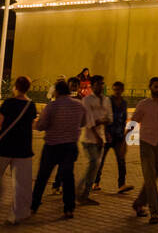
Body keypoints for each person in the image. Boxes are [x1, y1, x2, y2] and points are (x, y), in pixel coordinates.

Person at [31, 79, 86, 220]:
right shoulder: (79, 105)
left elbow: (41, 126)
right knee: (68, 177)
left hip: (52, 146)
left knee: (42, 177)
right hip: (70, 146)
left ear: (57, 91)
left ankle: (34, 205)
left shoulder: (52, 106)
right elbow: (84, 122)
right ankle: (69, 209)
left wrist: (37, 124)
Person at [130, 77, 158, 225]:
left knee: (154, 176)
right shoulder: (144, 105)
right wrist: (127, 141)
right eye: (156, 87)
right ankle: (155, 212)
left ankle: (138, 203)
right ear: (150, 87)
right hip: (146, 144)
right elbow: (134, 122)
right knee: (150, 178)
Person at [0, 75, 38, 224]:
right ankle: (17, 215)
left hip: (4, 146)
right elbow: (31, 126)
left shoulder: (8, 103)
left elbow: (1, 122)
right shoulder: (31, 105)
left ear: (15, 87)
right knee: (21, 184)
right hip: (23, 148)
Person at [77, 75, 112, 206]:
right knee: (93, 163)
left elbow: (109, 118)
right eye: (98, 84)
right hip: (89, 138)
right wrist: (97, 134)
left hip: (102, 137)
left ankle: (83, 194)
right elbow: (89, 120)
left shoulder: (106, 100)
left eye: (102, 83)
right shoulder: (86, 100)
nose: (100, 86)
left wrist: (102, 126)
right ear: (92, 85)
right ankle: (80, 191)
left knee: (95, 167)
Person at [94, 81, 133, 193]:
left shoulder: (124, 103)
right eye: (115, 89)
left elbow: (124, 119)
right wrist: (106, 133)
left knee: (121, 160)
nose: (117, 92)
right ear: (112, 89)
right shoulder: (108, 101)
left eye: (119, 89)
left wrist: (124, 134)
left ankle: (122, 184)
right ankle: (95, 182)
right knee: (101, 160)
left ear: (122, 90)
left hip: (119, 135)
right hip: (108, 135)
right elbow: (105, 117)